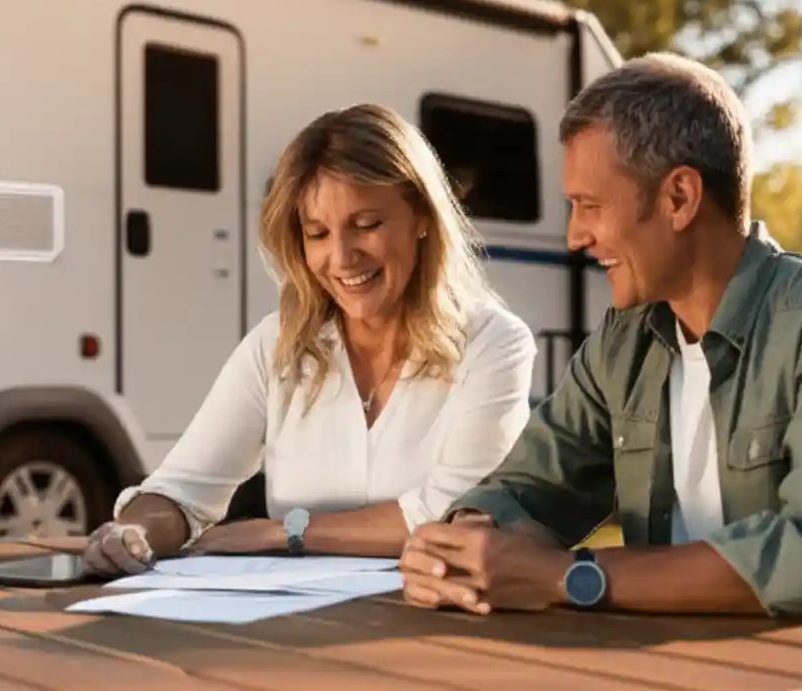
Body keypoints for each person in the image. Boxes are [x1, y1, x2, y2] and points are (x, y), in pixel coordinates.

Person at [398, 52, 802, 622]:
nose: (576, 236)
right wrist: (463, 544)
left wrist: (568, 577)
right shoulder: (624, 343)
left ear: (679, 197)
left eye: (590, 206)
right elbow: (525, 486)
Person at [83, 103, 538, 576]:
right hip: (293, 627)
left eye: (367, 225)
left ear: (421, 215)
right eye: (317, 233)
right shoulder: (277, 345)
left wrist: (284, 532)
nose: (341, 258)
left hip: (432, 628)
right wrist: (132, 532)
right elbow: (181, 491)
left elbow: (454, 515)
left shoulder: (494, 344)